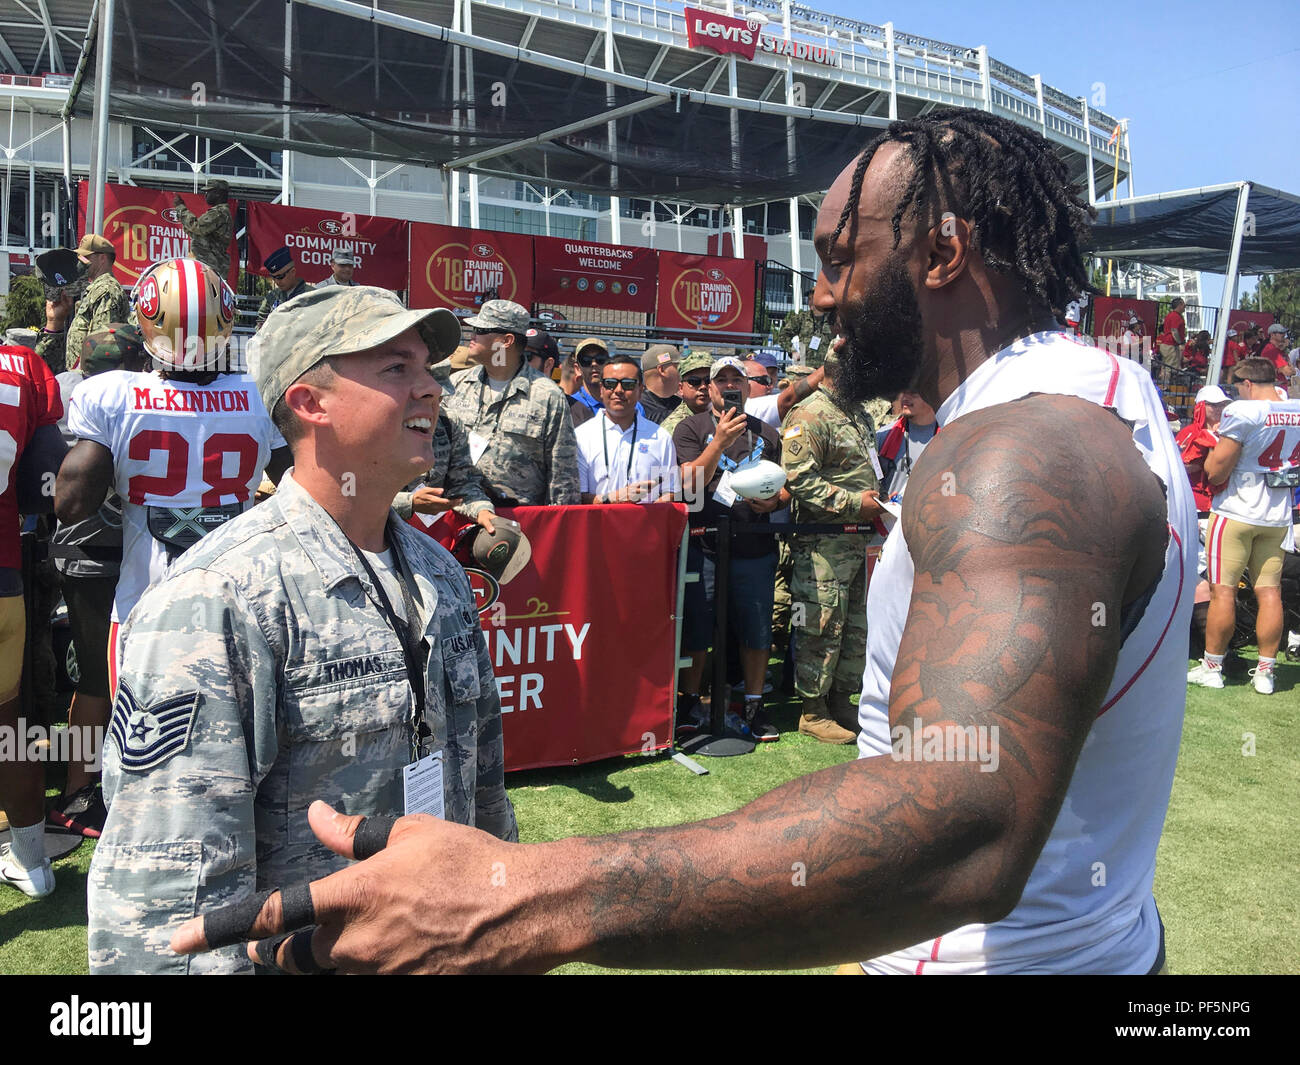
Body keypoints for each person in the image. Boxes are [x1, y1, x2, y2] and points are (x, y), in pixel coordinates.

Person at [173, 107, 1194, 977]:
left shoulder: (1023, 451)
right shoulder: (1082, 403)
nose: (823, 297)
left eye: (841, 261)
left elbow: (958, 824)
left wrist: (528, 895)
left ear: (940, 255)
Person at [88, 284, 518, 973]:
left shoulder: (438, 573)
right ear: (309, 402)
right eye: (395, 369)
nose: (430, 389)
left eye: (428, 369)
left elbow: (486, 791)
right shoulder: (219, 598)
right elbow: (168, 905)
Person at [55, 259, 292, 688]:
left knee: (139, 742)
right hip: (240, 603)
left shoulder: (112, 394)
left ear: (147, 322)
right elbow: (299, 489)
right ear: (226, 319)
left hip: (146, 605)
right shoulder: (259, 395)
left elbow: (70, 507)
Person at [44, 325, 149, 840]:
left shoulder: (63, 389)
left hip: (85, 552)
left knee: (98, 676)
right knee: (97, 678)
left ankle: (86, 784)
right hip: (97, 554)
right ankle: (77, 791)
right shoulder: (123, 400)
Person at [674, 355, 788, 741]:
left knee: (757, 629)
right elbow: (689, 484)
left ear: (746, 384)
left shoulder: (768, 433)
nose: (728, 385)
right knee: (697, 627)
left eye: (734, 378)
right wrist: (720, 440)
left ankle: (753, 706)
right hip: (704, 544)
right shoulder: (690, 428)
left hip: (754, 545)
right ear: (710, 387)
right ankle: (689, 703)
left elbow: (783, 486)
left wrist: (773, 501)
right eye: (719, 380)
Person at [781, 354, 882, 743]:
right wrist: (857, 503)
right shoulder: (809, 415)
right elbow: (800, 480)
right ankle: (812, 710)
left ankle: (842, 700)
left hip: (858, 538)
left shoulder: (859, 414)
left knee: (855, 625)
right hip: (823, 541)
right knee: (820, 622)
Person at [1188, 357, 1300, 696]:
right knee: (1270, 593)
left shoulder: (1244, 412)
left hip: (1237, 511)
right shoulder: (1295, 409)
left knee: (1223, 591)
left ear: (1247, 383)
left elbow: (1217, 469)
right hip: (1278, 514)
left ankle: (1212, 667)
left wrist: (1213, 463)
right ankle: (1265, 672)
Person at [0, 342, 66, 898]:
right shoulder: (24, 364)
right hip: (4, 578)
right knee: (8, 726)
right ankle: (33, 864)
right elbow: (43, 483)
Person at [440, 300, 579, 507]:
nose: (472, 334)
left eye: (480, 329)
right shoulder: (457, 384)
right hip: (459, 513)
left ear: (506, 340)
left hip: (519, 523)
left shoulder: (546, 396)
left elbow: (562, 477)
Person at [576, 356, 677, 504]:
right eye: (610, 384)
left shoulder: (660, 437)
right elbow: (577, 497)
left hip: (644, 525)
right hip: (598, 525)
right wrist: (612, 499)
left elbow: (671, 491)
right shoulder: (581, 436)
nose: (618, 390)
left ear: (640, 389)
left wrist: (649, 513)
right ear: (602, 389)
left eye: (628, 384)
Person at [59, 235, 131, 375]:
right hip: (83, 375)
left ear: (102, 258)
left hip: (91, 377)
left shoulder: (106, 290)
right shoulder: (97, 289)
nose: (81, 262)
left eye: (86, 258)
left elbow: (102, 345)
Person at [875, 389, 939, 506]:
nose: (905, 397)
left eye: (913, 392)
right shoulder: (882, 437)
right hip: (890, 521)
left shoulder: (949, 435)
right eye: (902, 391)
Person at [1175, 384, 1229, 515]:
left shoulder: (1230, 431)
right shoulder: (1189, 433)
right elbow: (1179, 468)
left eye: (1222, 404)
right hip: (1194, 498)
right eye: (1213, 405)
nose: (1219, 409)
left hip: (1224, 498)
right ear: (1201, 406)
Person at [172, 178, 233, 280]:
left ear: (218, 194)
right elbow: (194, 231)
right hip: (209, 267)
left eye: (208, 192)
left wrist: (181, 208)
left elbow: (197, 227)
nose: (206, 195)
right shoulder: (220, 212)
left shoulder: (219, 212)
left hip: (211, 266)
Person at [659, 350, 713, 439]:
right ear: (681, 388)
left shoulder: (725, 415)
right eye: (694, 381)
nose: (703, 386)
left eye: (708, 380)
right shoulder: (673, 427)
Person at [255, 247, 311, 329]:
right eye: (273, 277)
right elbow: (260, 322)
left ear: (293, 272)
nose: (277, 282)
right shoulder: (272, 297)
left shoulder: (311, 295)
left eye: (280, 277)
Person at [638, 344, 682, 425]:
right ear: (662, 370)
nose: (683, 372)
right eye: (678, 367)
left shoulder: (682, 405)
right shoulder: (636, 407)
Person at [570, 337, 612, 415]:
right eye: (586, 360)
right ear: (577, 369)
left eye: (600, 359)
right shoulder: (570, 405)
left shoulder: (627, 404)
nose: (594, 364)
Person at [1156, 297, 1186, 372]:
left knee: (1166, 367)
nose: (1185, 306)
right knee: (1170, 368)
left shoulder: (1170, 315)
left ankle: (1165, 382)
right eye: (1183, 304)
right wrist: (1180, 343)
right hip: (1171, 345)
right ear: (1179, 305)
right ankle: (1168, 383)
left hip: (1167, 344)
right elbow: (1174, 331)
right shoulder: (1176, 316)